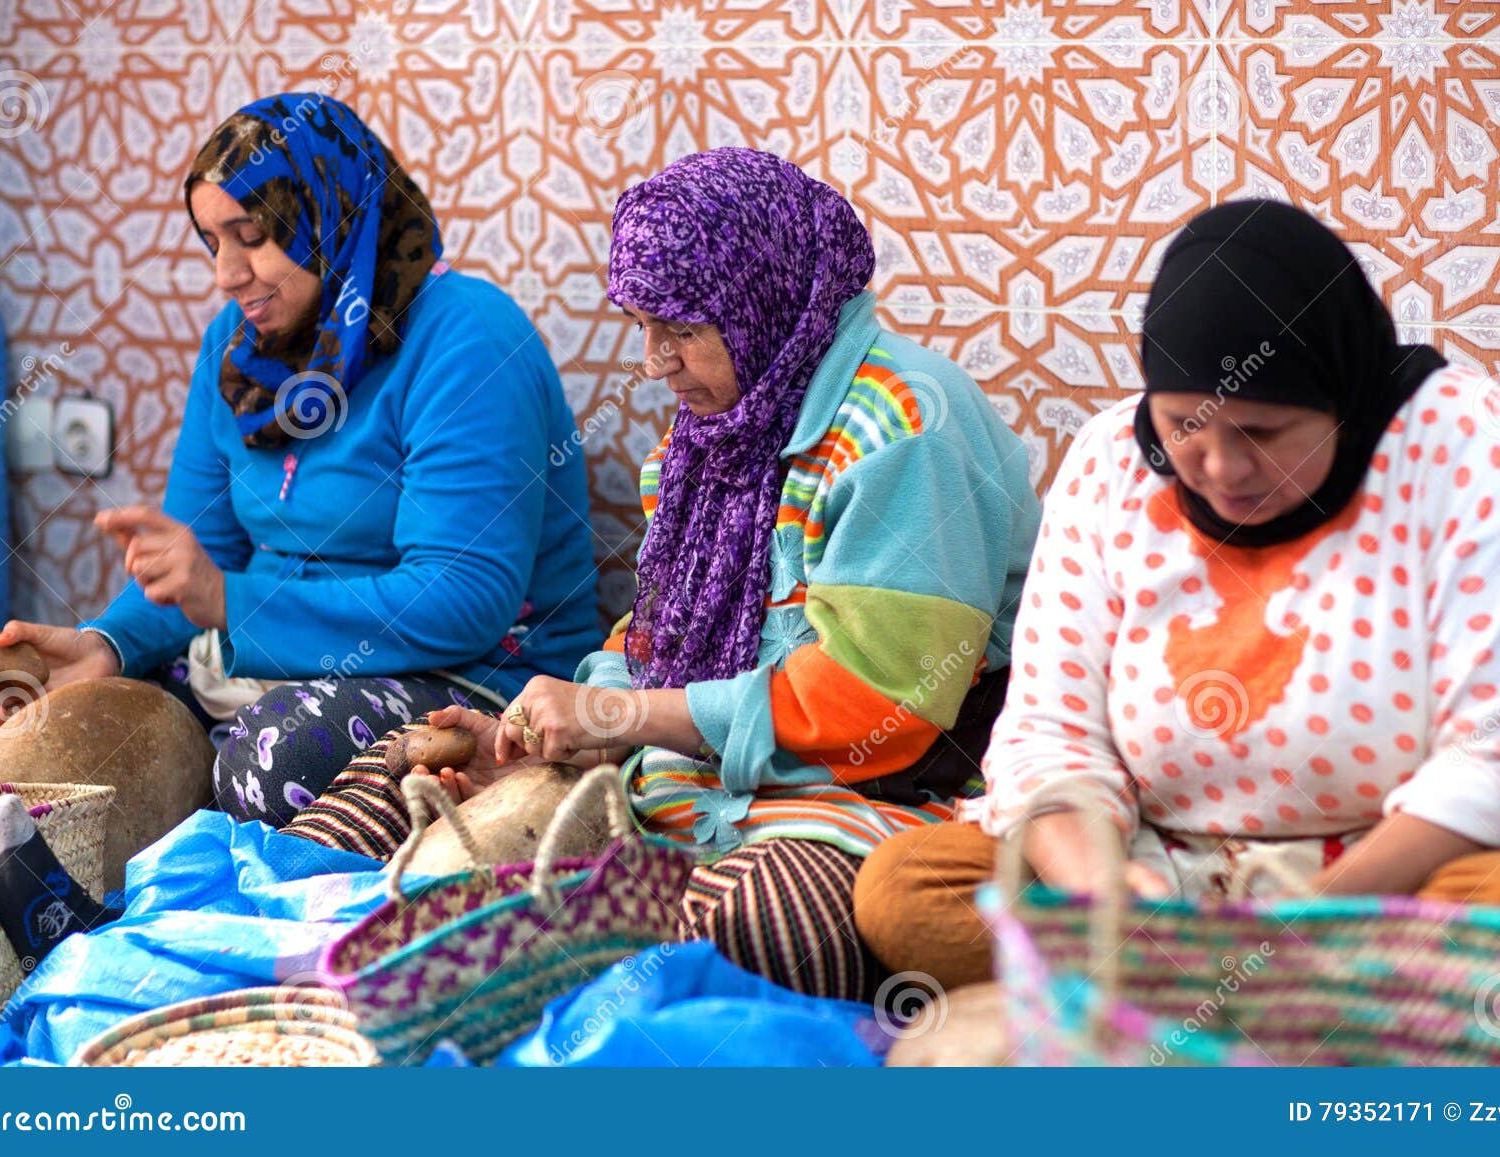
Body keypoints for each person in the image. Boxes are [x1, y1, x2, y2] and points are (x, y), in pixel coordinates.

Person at [360, 147, 1039, 1003]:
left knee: (752, 917)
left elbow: (883, 708)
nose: (654, 363)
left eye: (679, 329)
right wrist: (565, 724)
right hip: (680, 787)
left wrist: (626, 716)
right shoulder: (708, 439)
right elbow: (651, 635)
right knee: (397, 771)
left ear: (761, 303)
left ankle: (593, 973)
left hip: (858, 809)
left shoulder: (905, 428)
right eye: (642, 327)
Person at [853, 200, 1500, 992]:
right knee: (908, 888)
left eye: (1261, 433)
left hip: (1380, 884)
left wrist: (1299, 929)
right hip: (1163, 882)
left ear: (1340, 397)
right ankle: (1248, 1002)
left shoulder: (1462, 444)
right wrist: (1103, 894)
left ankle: (1196, 1001)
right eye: (1188, 424)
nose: (1222, 467)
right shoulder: (1111, 463)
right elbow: (1048, 735)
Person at [0, 93, 599, 829]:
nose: (227, 273)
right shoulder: (236, 351)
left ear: (333, 212)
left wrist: (233, 604)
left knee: (273, 758)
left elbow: (465, 599)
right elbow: (197, 564)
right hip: (262, 666)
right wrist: (107, 644)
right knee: (3, 728)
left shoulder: (467, 338)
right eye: (213, 241)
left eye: (254, 235)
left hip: (474, 679)